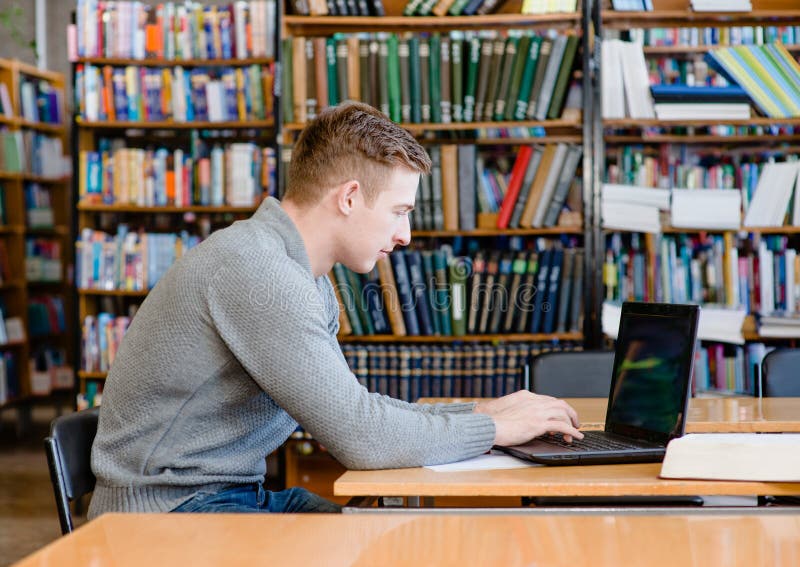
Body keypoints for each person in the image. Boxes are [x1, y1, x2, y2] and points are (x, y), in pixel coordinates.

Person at [88, 101, 583, 518]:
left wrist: (479, 411)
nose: (404, 235)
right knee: (399, 544)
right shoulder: (261, 273)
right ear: (349, 197)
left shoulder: (299, 272)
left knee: (399, 535)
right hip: (166, 516)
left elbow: (352, 407)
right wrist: (499, 429)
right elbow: (361, 438)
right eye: (399, 211)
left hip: (216, 497)